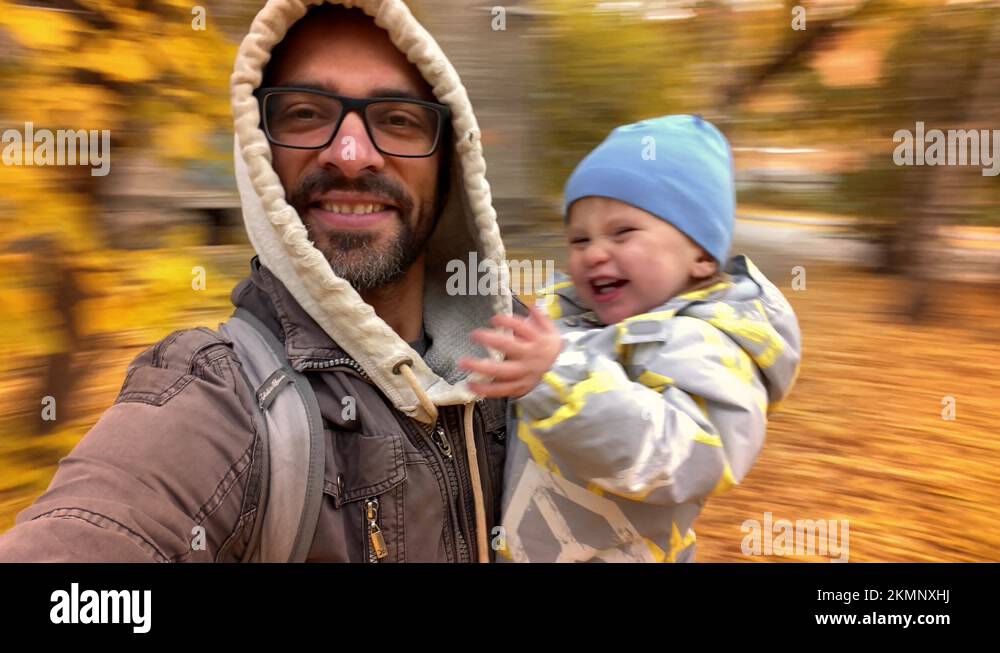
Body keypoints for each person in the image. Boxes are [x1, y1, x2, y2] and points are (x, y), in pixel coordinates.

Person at [0, 0, 521, 563]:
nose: (351, 155)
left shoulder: (526, 363)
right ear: (259, 155)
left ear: (450, 168)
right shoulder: (222, 397)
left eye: (397, 119)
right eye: (305, 113)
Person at [459, 115, 802, 562]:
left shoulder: (707, 344)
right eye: (579, 239)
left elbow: (682, 459)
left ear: (700, 255)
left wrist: (559, 378)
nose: (594, 253)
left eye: (622, 232)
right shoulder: (569, 324)